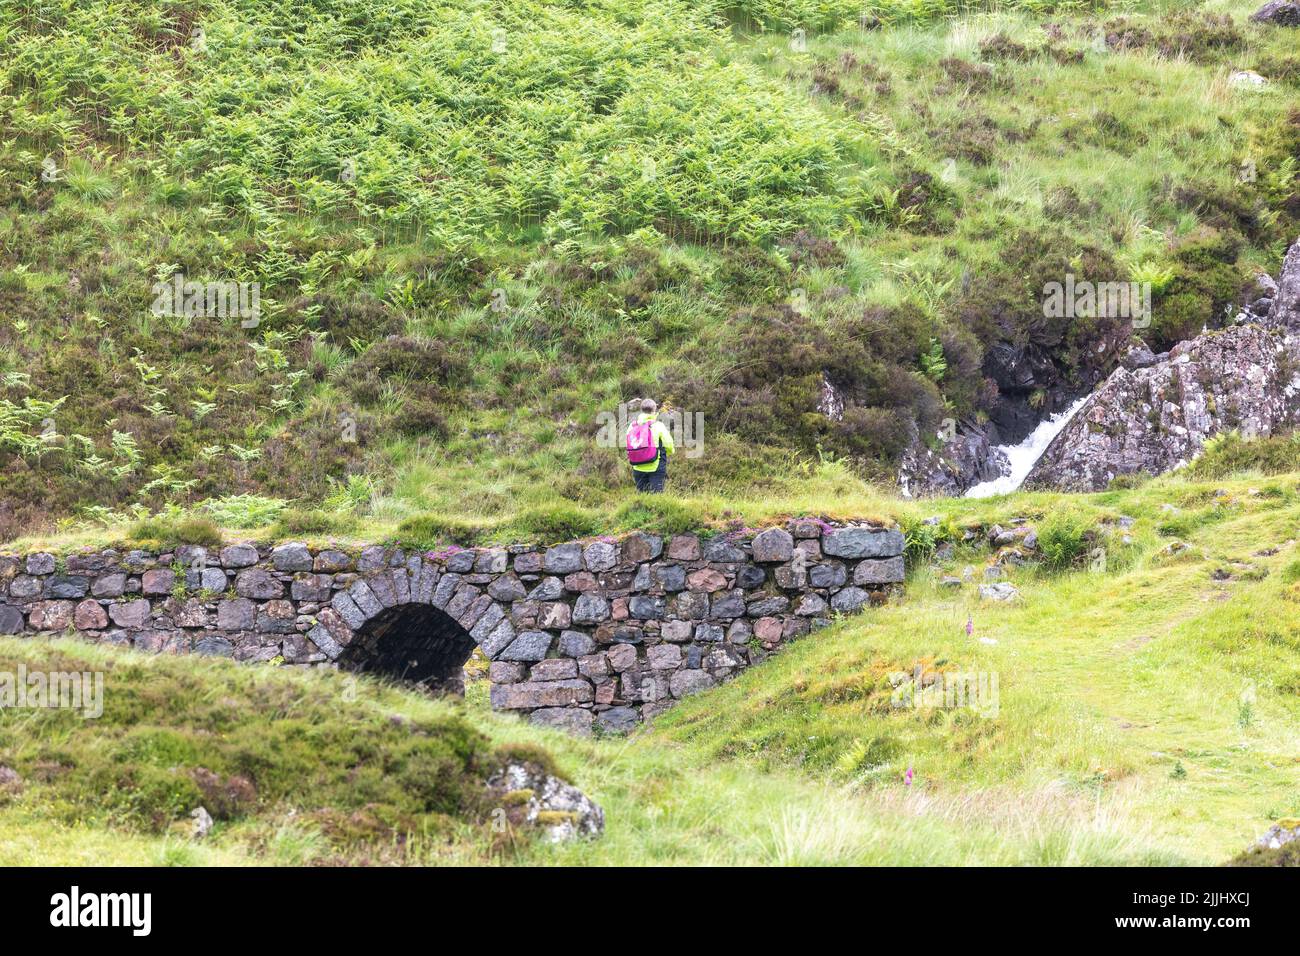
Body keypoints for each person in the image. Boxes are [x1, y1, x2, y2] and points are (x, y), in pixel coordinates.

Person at [625, 398, 674, 493]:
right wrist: (669, 452)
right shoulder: (658, 425)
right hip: (655, 465)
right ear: (654, 410)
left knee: (642, 494)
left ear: (641, 410)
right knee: (657, 495)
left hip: (637, 466)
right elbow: (669, 444)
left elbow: (628, 443)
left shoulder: (632, 425)